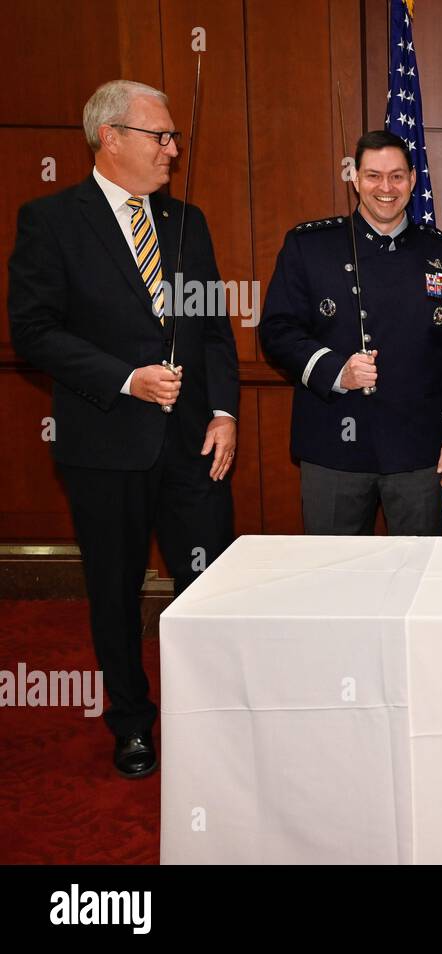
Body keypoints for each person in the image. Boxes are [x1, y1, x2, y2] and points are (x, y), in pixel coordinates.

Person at [8, 80, 239, 778]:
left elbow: (215, 331)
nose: (172, 148)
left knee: (210, 587)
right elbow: (33, 332)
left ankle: (215, 718)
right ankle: (133, 723)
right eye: (159, 136)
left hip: (194, 445)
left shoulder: (185, 222)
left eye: (172, 137)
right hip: (105, 445)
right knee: (115, 590)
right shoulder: (50, 221)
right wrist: (125, 377)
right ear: (111, 138)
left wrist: (226, 411)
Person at [260, 131, 442, 534]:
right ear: (356, 178)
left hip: (419, 450)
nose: (386, 188)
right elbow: (277, 330)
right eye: (374, 176)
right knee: (334, 579)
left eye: (397, 176)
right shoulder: (310, 246)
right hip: (333, 447)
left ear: (413, 180)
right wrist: (335, 371)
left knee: (418, 577)